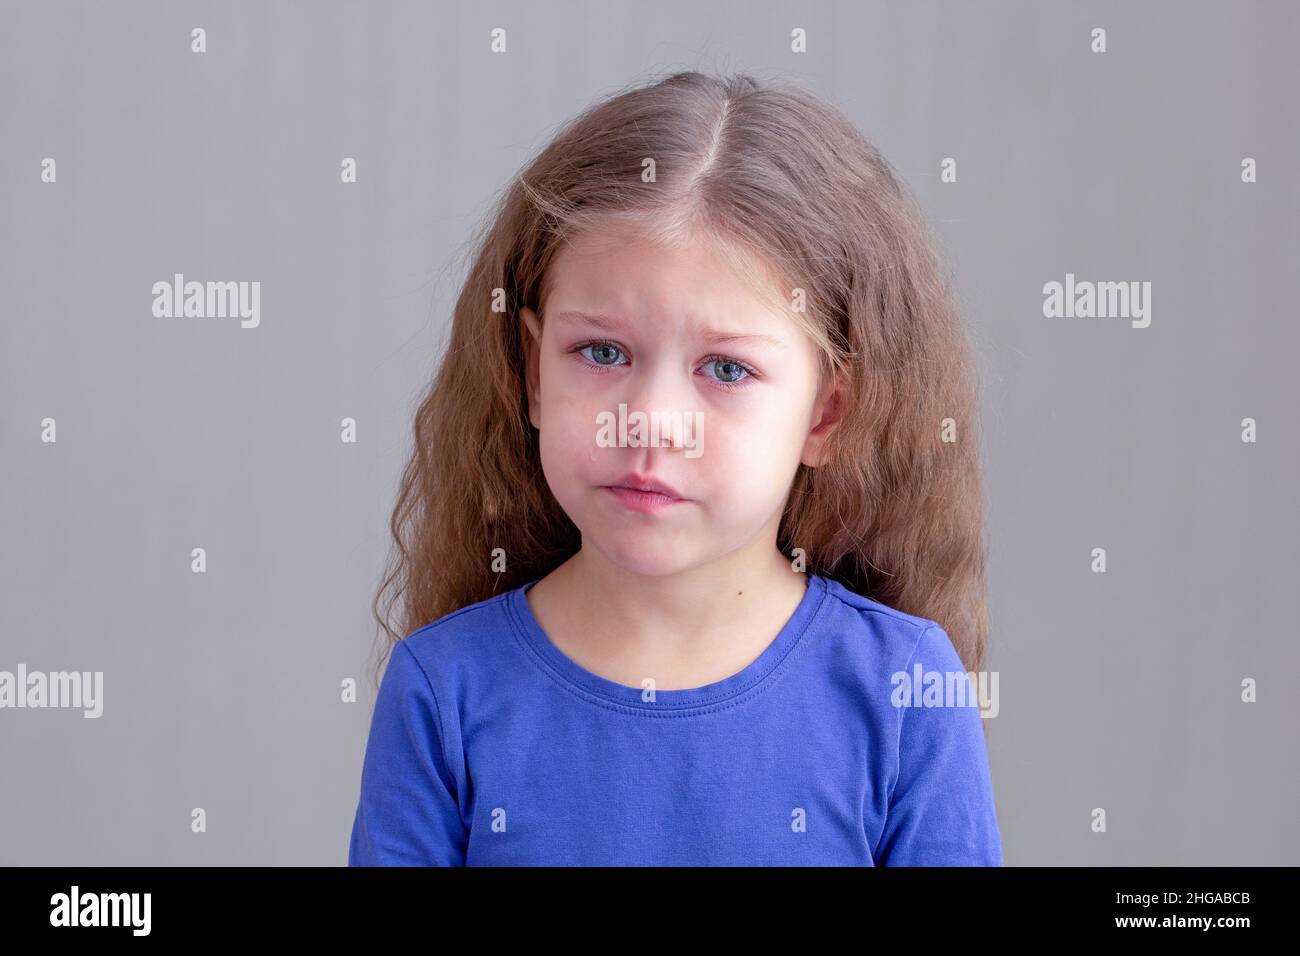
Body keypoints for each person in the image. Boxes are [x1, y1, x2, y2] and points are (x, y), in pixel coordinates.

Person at [348, 70, 1001, 866]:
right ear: (531, 372)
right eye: (602, 352)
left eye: (726, 370)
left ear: (826, 413)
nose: (649, 420)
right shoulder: (443, 690)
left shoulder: (905, 689)